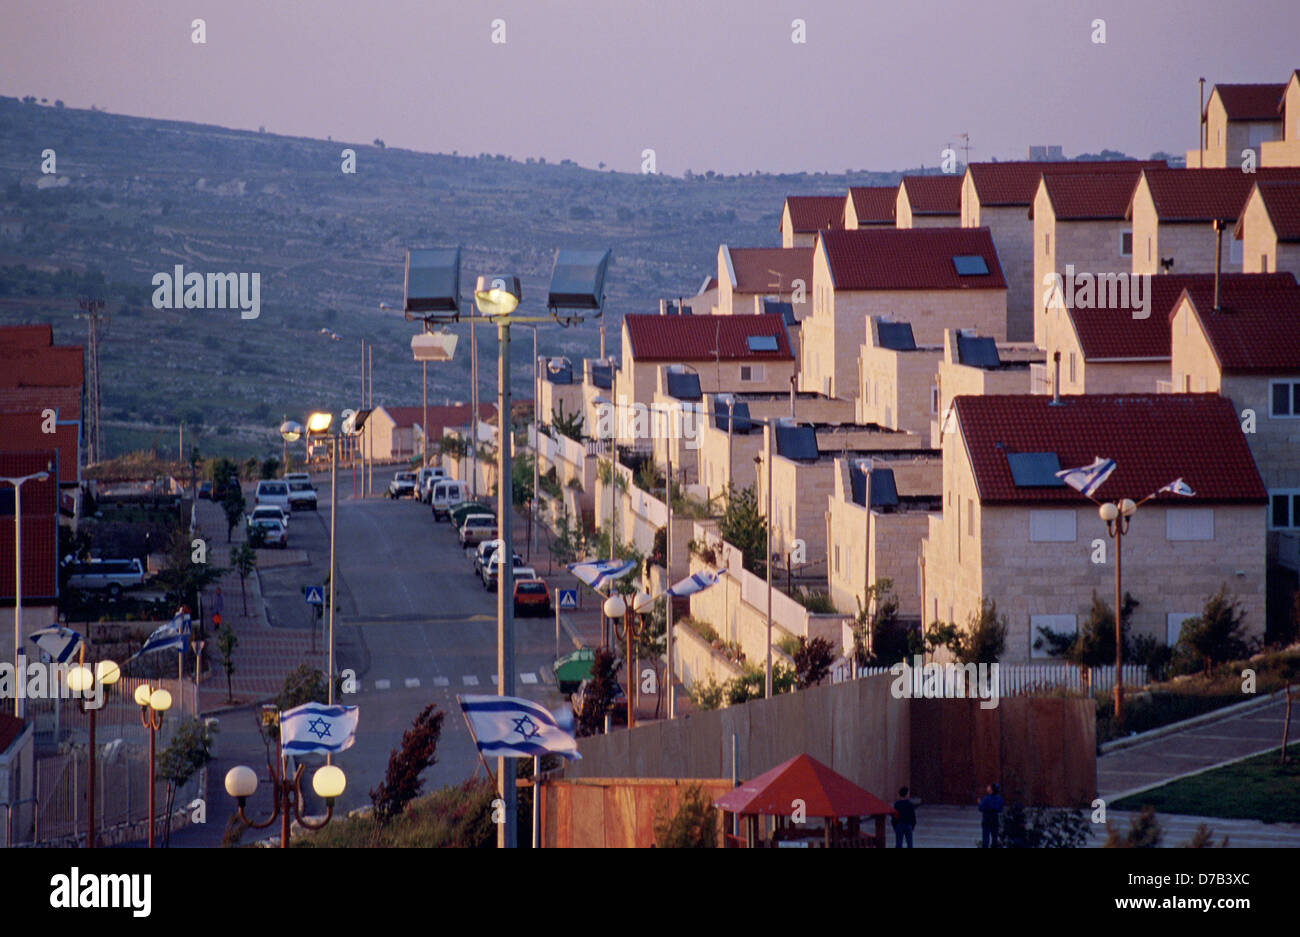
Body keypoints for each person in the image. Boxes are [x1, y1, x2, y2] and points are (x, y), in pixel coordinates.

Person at [978, 783, 1004, 848]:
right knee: (994, 836)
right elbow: (1001, 809)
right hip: (995, 818)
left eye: (989, 787)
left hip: (987, 818)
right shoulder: (999, 798)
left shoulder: (986, 798)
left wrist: (979, 803)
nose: (987, 788)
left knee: (986, 836)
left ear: (992, 790)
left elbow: (981, 808)